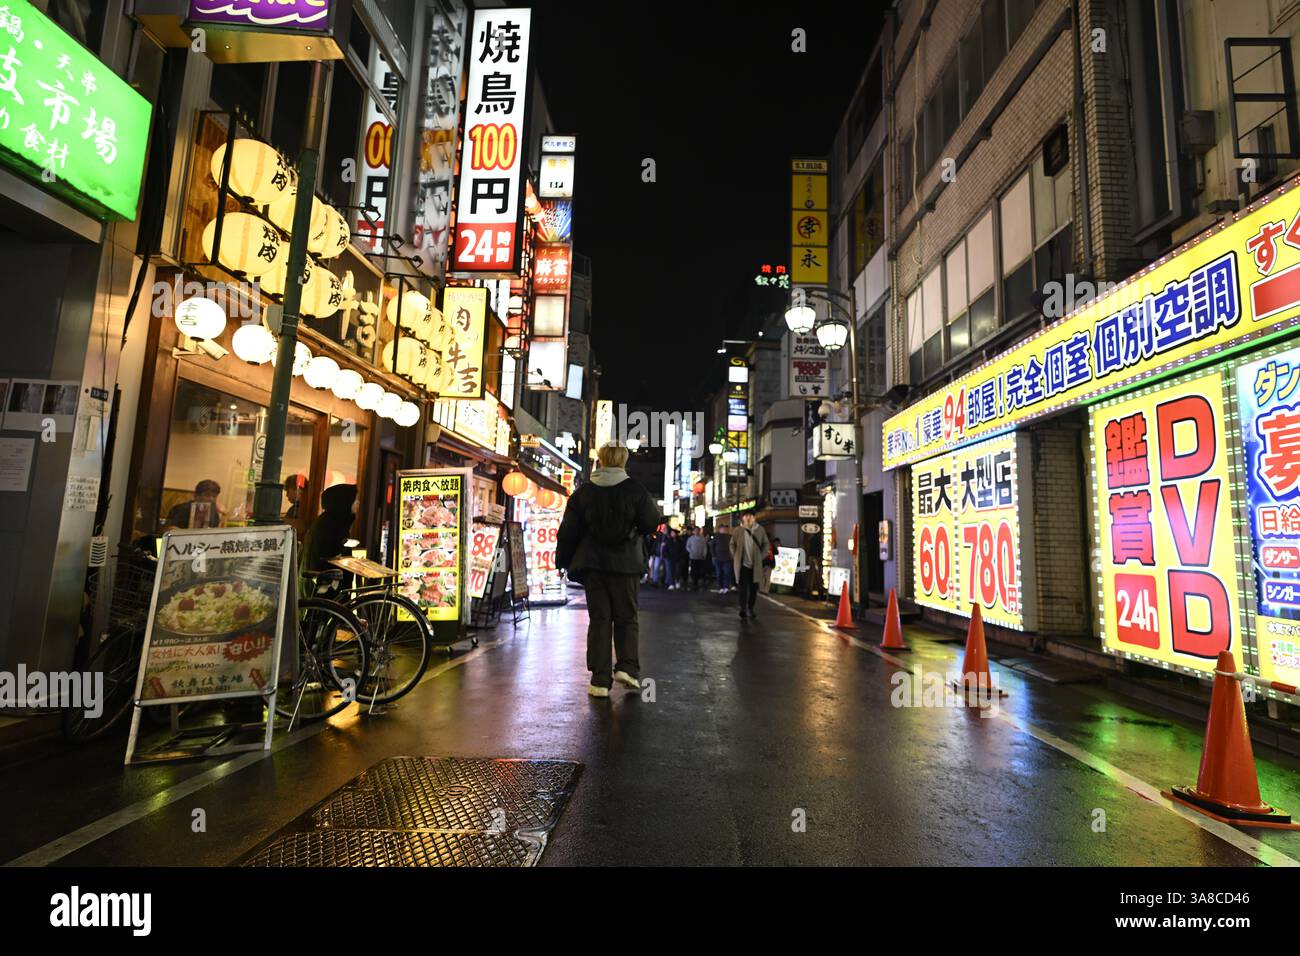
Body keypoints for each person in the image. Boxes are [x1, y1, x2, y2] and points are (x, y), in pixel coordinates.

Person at [555, 443, 661, 699]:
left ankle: (600, 680)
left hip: (594, 565)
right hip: (626, 564)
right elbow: (651, 522)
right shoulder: (635, 490)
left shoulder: (584, 493)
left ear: (601, 460)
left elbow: (568, 531)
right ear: (623, 461)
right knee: (627, 617)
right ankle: (626, 668)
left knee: (600, 620)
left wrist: (563, 562)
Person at [303, 483, 358, 573]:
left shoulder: (337, 521)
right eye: (355, 499)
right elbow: (326, 558)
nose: (358, 502)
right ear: (344, 501)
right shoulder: (329, 525)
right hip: (328, 582)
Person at [731, 511, 770, 620]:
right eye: (746, 516)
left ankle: (750, 608)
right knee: (742, 588)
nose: (748, 518)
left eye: (750, 516)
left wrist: (761, 556)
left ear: (754, 518)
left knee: (753, 588)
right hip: (742, 564)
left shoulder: (760, 529)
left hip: (755, 565)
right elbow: (732, 544)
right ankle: (743, 608)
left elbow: (766, 544)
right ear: (742, 518)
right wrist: (735, 556)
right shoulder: (738, 530)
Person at [709, 527, 733, 593]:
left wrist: (732, 554)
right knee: (719, 573)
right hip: (718, 558)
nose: (724, 530)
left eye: (725, 529)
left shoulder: (730, 537)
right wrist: (714, 555)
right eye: (723, 529)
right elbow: (711, 545)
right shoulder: (716, 537)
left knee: (727, 573)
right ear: (719, 530)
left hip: (727, 558)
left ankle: (726, 587)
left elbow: (733, 545)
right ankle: (721, 587)